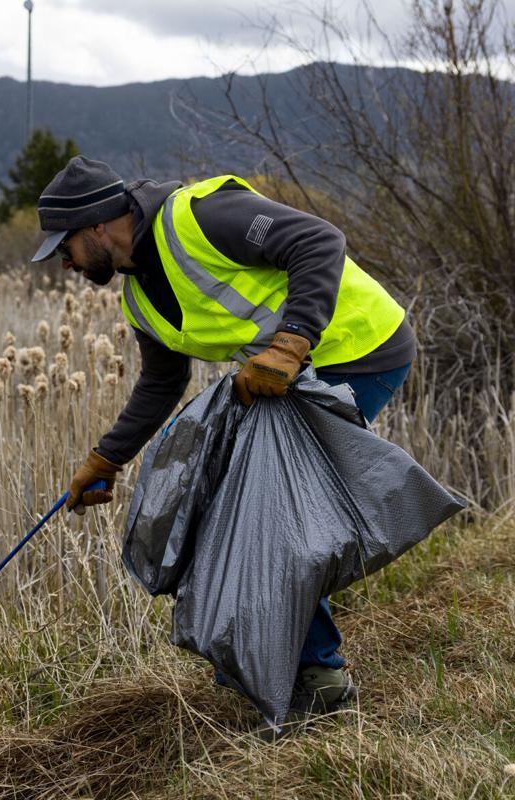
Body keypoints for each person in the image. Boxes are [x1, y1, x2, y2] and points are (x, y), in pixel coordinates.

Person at [31, 155, 416, 727]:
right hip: (292, 378)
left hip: (359, 349)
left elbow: (319, 240)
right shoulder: (137, 299)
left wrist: (289, 345)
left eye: (63, 247)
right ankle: (278, 668)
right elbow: (163, 382)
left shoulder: (199, 218)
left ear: (94, 224)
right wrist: (107, 457)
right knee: (224, 504)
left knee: (274, 515)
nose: (62, 262)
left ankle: (319, 683)